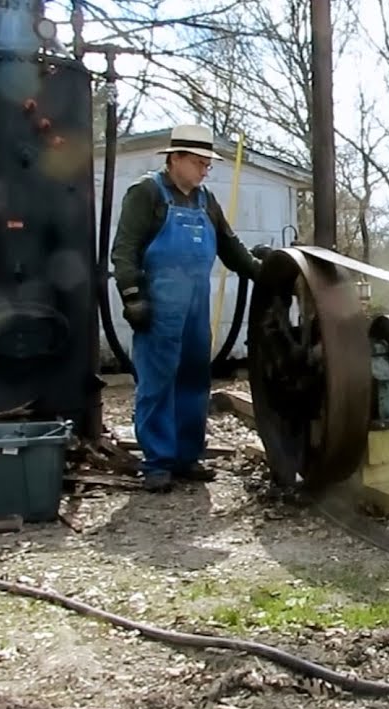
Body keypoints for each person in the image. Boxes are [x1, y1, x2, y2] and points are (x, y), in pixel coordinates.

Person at [110, 124, 269, 493]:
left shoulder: (206, 200)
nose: (204, 169)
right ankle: (158, 462)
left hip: (196, 302)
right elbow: (125, 250)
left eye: (207, 164)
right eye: (198, 162)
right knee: (157, 382)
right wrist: (132, 295)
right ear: (175, 158)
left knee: (195, 379)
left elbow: (232, 250)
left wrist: (269, 275)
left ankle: (186, 456)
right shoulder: (146, 193)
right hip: (160, 304)